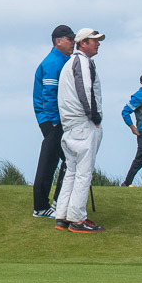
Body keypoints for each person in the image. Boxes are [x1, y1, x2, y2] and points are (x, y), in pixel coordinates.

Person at [53, 28, 106, 233]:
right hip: (83, 124)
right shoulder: (82, 62)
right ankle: (77, 219)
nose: (98, 44)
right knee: (83, 173)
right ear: (82, 43)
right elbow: (86, 91)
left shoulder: (70, 63)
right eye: (94, 41)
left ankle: (63, 216)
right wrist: (95, 117)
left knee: (71, 172)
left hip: (70, 126)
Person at [32, 24, 75, 217]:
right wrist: (56, 122)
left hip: (55, 119)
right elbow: (49, 95)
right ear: (59, 41)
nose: (73, 42)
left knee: (67, 158)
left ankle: (59, 200)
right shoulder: (53, 63)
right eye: (70, 39)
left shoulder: (62, 61)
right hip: (52, 119)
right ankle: (41, 207)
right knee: (49, 161)